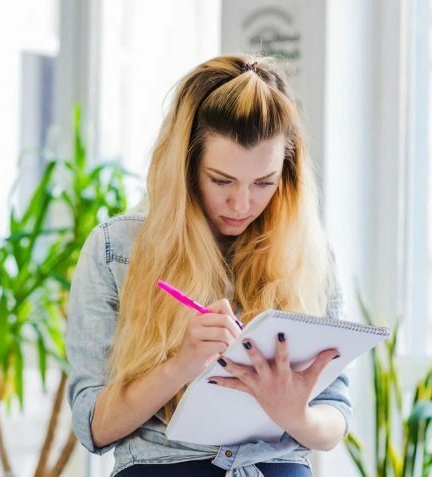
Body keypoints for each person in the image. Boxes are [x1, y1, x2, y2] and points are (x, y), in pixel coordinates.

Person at [66, 55, 351, 477]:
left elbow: (336, 417)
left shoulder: (307, 255)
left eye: (264, 183)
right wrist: (180, 365)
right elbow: (94, 427)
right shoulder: (117, 249)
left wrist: (296, 415)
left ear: (286, 176)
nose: (242, 205)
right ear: (185, 167)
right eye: (221, 181)